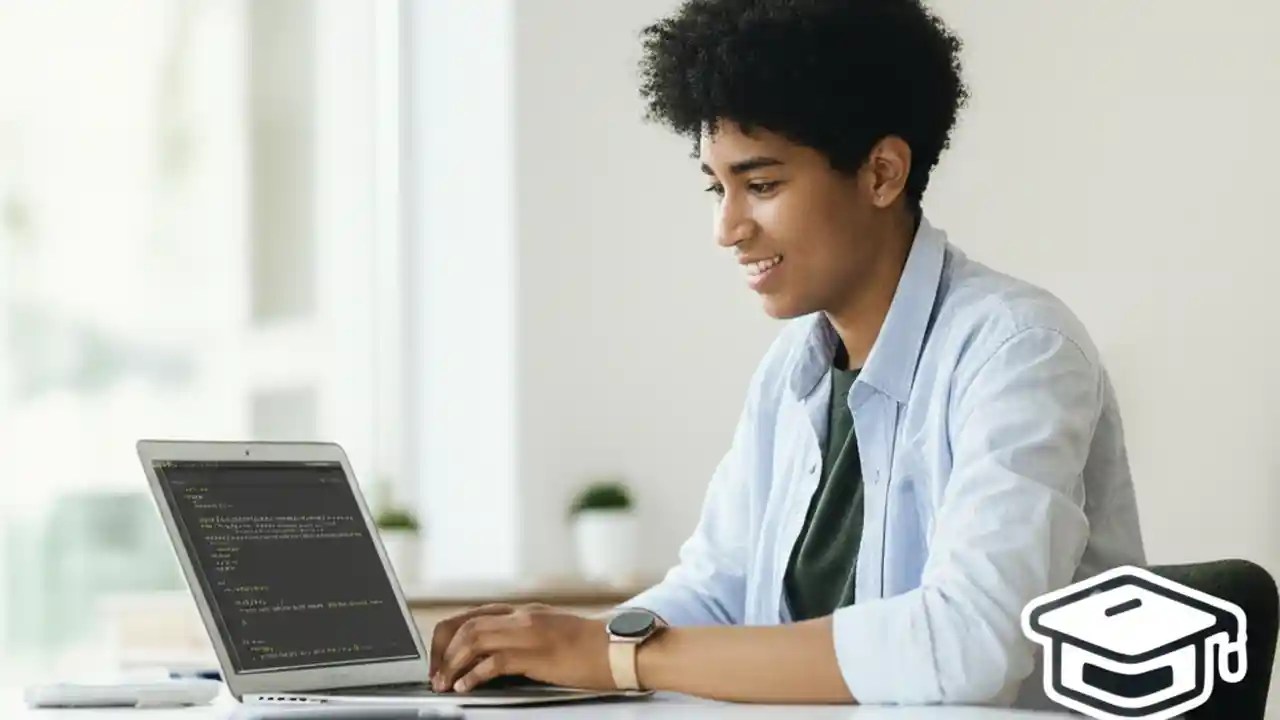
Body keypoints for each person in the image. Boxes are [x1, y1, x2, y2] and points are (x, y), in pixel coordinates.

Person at [428, 0, 1145, 707]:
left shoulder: (1019, 352)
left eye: (761, 185)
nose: (727, 227)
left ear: (882, 173)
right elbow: (715, 593)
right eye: (718, 188)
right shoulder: (791, 373)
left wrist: (619, 656)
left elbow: (968, 644)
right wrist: (556, 648)